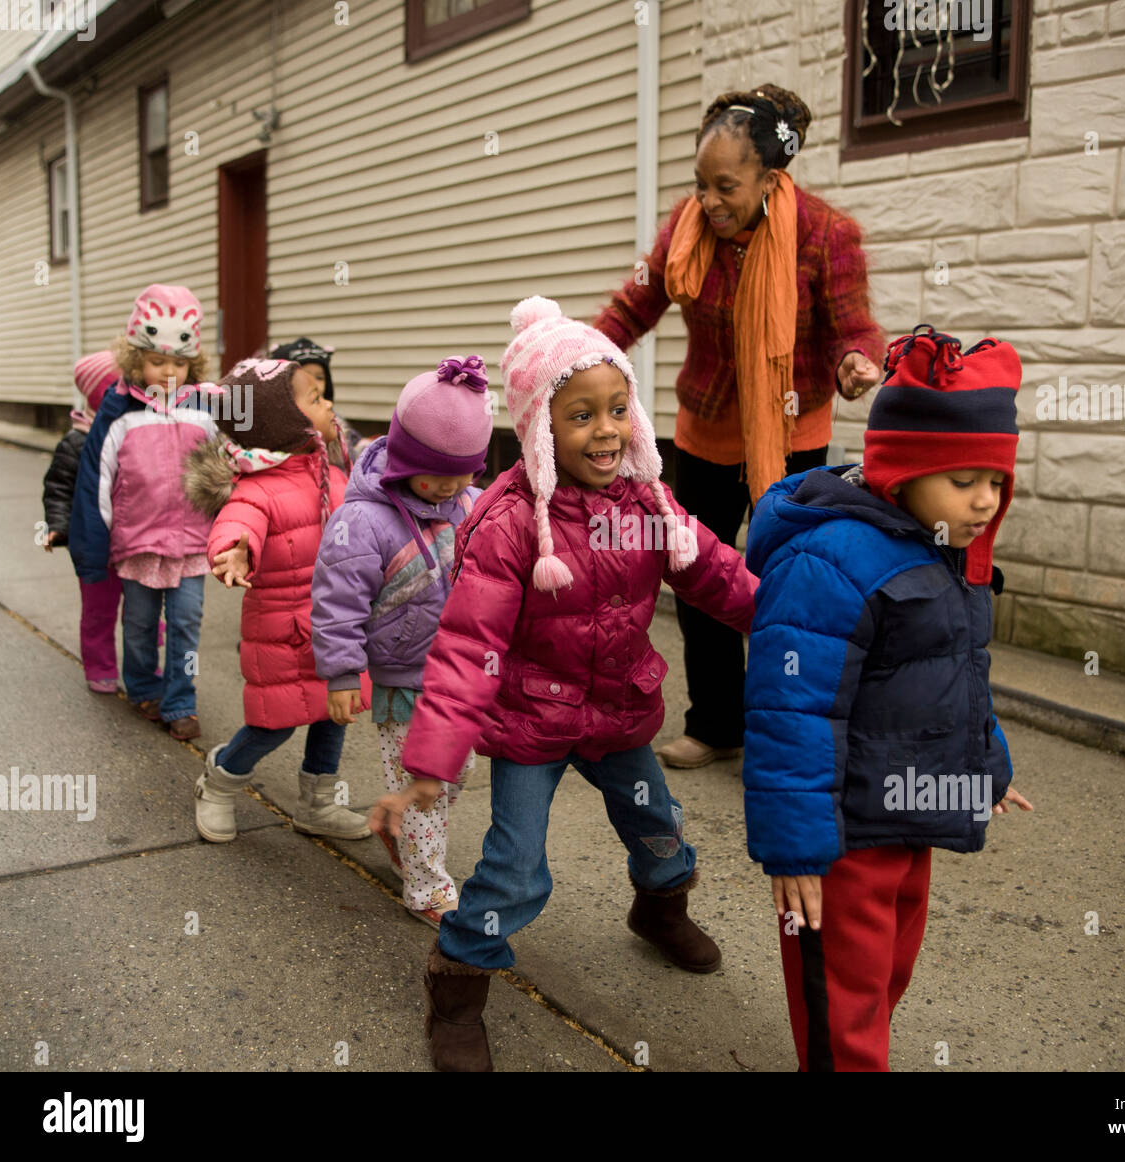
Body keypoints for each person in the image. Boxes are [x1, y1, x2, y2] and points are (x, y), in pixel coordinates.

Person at [369, 297, 759, 1072]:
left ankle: (658, 908)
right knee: (515, 870)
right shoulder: (510, 523)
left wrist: (790, 624)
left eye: (618, 410)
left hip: (617, 713)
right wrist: (430, 762)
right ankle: (457, 987)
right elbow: (468, 644)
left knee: (664, 835)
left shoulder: (650, 504)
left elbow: (717, 571)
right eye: (580, 417)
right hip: (532, 723)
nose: (606, 430)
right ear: (541, 428)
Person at [741, 325, 1035, 1072]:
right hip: (839, 839)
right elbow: (789, 711)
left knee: (885, 976)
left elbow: (959, 671)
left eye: (995, 481)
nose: (984, 500)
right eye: (964, 479)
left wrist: (988, 764)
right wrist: (796, 849)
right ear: (903, 472)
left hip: (910, 815)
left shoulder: (946, 553)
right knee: (843, 1001)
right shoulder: (831, 561)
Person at [595, 83, 886, 770]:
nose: (710, 201)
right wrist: (578, 352)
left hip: (790, 432)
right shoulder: (688, 227)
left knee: (794, 582)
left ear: (770, 176)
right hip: (703, 429)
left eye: (726, 186)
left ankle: (794, 732)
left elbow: (855, 324)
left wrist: (857, 361)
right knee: (698, 575)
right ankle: (718, 724)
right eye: (701, 184)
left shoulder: (825, 233)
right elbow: (634, 306)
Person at [311, 355, 492, 926]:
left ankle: (405, 839)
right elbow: (337, 600)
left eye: (462, 473)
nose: (450, 486)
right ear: (405, 458)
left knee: (452, 774)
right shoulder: (362, 521)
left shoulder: (468, 503)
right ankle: (427, 888)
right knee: (424, 784)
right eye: (436, 474)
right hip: (403, 680)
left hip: (459, 675)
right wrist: (342, 674)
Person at [183, 357, 372, 844]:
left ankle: (318, 802)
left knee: (335, 716)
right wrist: (234, 551)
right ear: (282, 423)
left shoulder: (331, 472)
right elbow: (237, 522)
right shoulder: (257, 489)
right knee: (273, 725)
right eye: (314, 398)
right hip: (284, 637)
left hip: (336, 632)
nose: (329, 402)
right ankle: (220, 781)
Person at [70, 285, 218, 740]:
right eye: (157, 361)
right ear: (136, 359)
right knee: (137, 624)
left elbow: (226, 469)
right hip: (136, 542)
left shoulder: (205, 412)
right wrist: (96, 545)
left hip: (191, 544)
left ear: (192, 363)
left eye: (179, 362)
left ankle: (180, 700)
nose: (169, 371)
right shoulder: (117, 413)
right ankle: (143, 687)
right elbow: (96, 481)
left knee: (186, 622)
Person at [42, 351, 124, 693]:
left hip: (133, 538)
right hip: (92, 543)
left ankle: (144, 663)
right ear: (100, 393)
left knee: (144, 609)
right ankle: (100, 667)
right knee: (99, 611)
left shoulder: (135, 427)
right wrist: (57, 526)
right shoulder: (76, 441)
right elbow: (58, 488)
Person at [270, 337, 371, 468]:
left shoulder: (336, 422)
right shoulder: (275, 432)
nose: (315, 384)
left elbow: (356, 447)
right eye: (306, 377)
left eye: (320, 377)